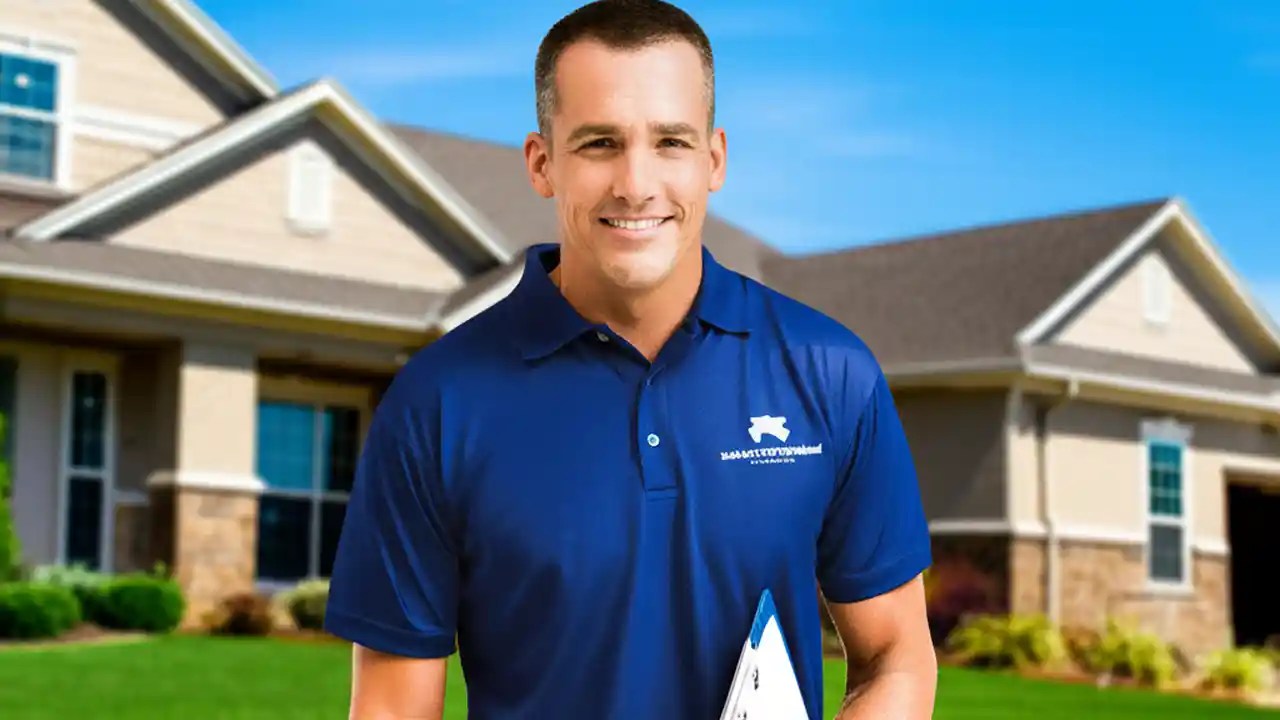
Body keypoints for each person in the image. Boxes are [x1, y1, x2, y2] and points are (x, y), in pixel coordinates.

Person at [324, 0, 938, 717]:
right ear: (541, 162)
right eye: (599, 143)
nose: (636, 183)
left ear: (715, 160)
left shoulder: (831, 375)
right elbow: (395, 708)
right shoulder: (437, 403)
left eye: (671, 142)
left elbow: (896, 659)